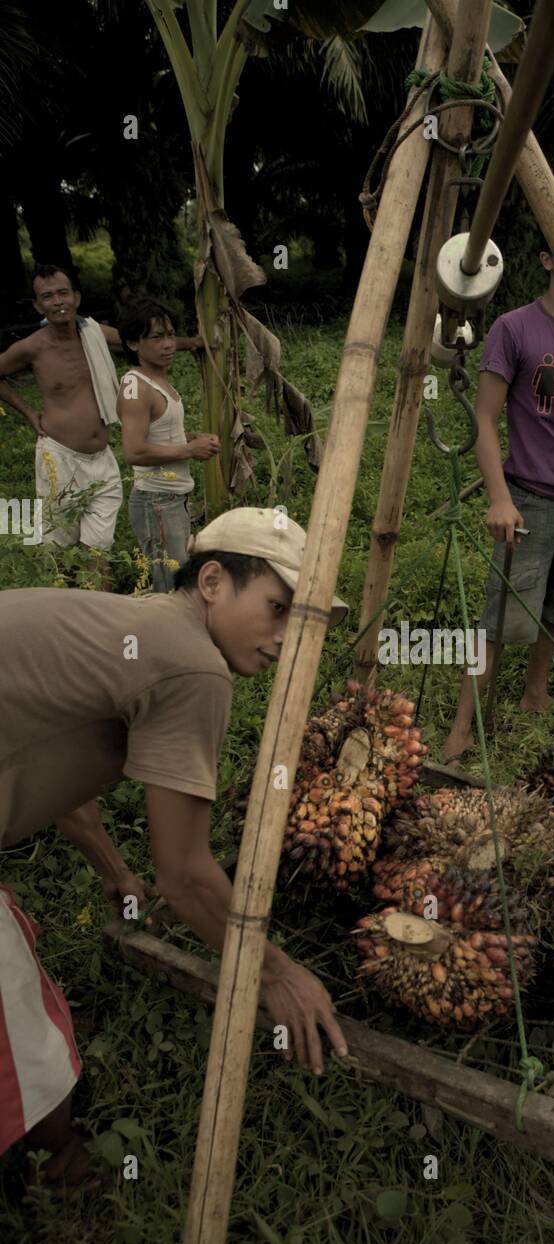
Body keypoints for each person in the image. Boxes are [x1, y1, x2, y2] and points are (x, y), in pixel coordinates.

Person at [0, 507, 349, 1191]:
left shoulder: (139, 626)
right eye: (277, 609)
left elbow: (52, 757)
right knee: (18, 1035)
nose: (285, 639)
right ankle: (58, 1162)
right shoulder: (193, 666)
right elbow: (186, 876)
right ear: (213, 580)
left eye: (301, 623)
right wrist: (274, 974)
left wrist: (112, 868)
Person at [440, 200, 554, 764]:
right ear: (548, 257)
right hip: (528, 500)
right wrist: (498, 496)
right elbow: (485, 418)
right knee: (498, 616)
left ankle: (535, 695)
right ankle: (462, 727)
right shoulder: (514, 328)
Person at [0, 265, 200, 555]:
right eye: (47, 297)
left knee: (99, 546)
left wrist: (192, 344)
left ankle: (98, 600)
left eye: (63, 293)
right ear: (37, 305)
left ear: (76, 297)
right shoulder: (31, 348)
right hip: (59, 457)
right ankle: (60, 599)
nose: (57, 302)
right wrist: (29, 413)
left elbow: (144, 340)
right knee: (58, 543)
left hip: (102, 458)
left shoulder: (94, 333)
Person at [117, 298, 219, 592]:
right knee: (170, 588)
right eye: (157, 337)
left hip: (172, 499)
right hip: (156, 502)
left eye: (171, 335)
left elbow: (158, 436)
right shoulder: (136, 387)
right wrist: (189, 450)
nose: (168, 344)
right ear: (134, 344)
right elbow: (133, 451)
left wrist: (192, 438)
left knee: (177, 581)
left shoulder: (159, 382)